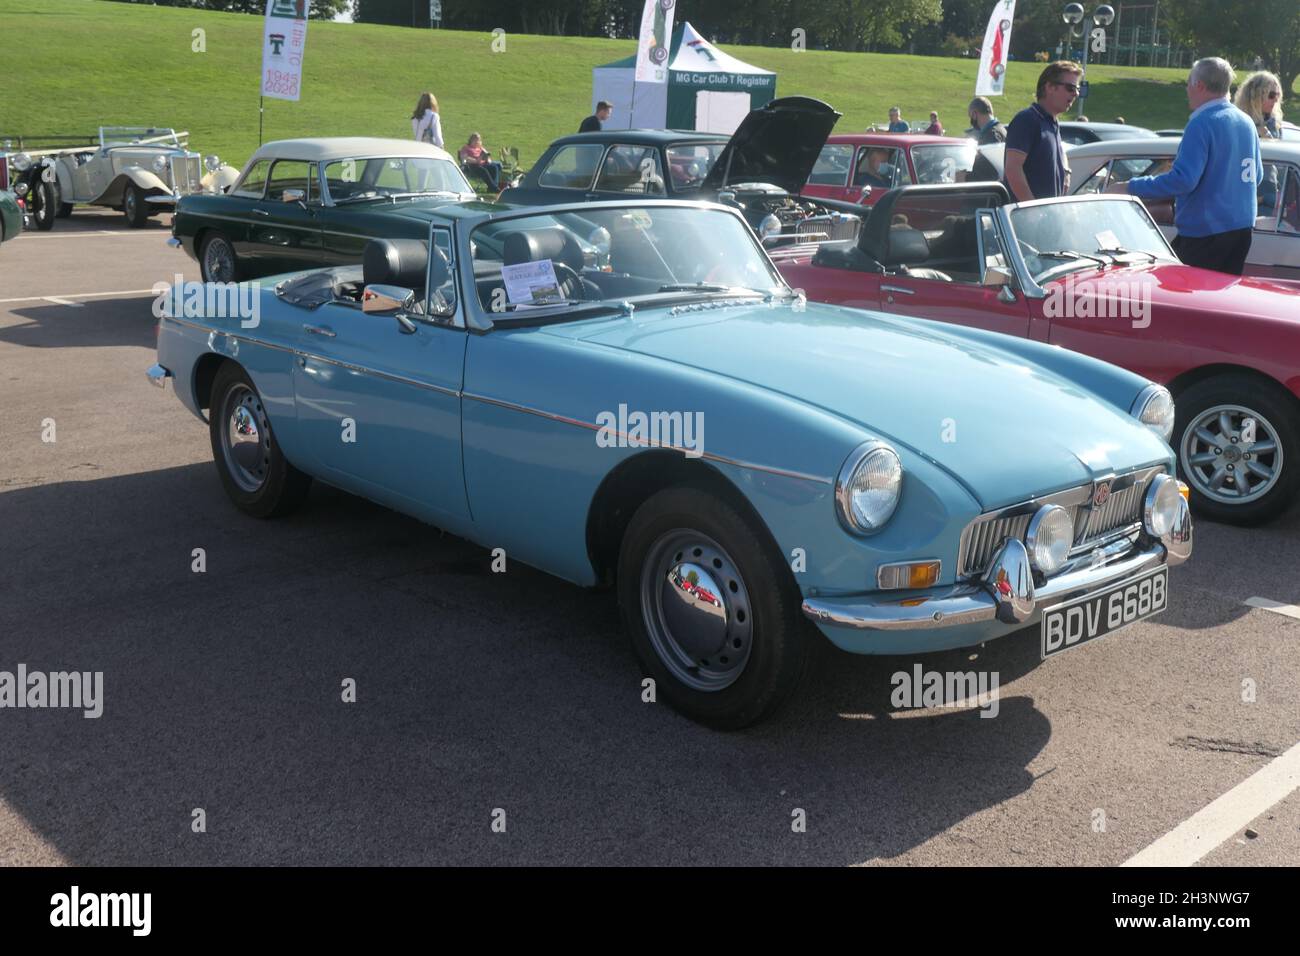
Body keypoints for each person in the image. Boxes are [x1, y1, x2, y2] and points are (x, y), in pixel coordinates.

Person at [1108, 57, 1262, 275]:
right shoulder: (1245, 121)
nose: (1187, 90)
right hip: (1242, 228)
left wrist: (1129, 187)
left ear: (1199, 85)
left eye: (1189, 83)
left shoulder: (1202, 122)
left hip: (1206, 231)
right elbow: (1257, 176)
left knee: (1182, 293)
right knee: (1222, 299)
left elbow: (1183, 180)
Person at [1003, 60, 1081, 201]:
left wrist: (1066, 172)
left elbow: (1058, 152)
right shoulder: (1027, 119)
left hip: (1046, 216)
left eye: (1077, 89)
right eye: (1070, 88)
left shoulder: (1052, 122)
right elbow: (1012, 169)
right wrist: (1032, 208)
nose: (1075, 94)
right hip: (1025, 218)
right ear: (1050, 87)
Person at [1235, 70, 1285, 139]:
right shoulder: (1238, 123)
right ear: (1256, 96)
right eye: (1272, 95)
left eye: (1277, 95)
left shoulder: (1275, 124)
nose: (1276, 100)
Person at [966, 97, 1006, 182]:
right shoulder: (1001, 130)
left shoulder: (991, 135)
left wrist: (965, 177)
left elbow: (987, 172)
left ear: (974, 113)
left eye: (970, 116)